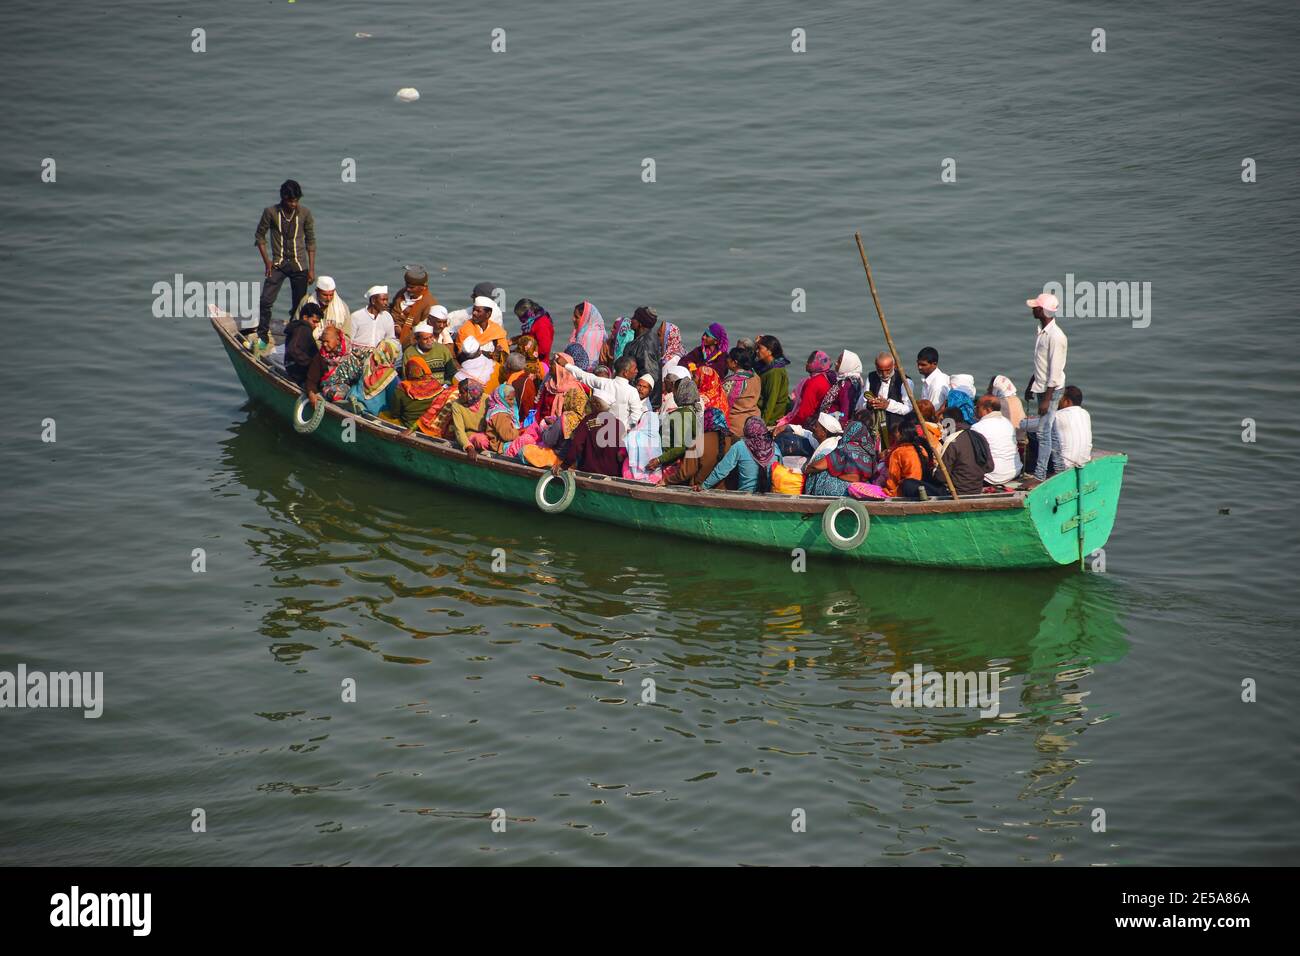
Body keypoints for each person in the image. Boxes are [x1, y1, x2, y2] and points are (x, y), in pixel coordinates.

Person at [254, 179, 315, 346]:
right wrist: (267, 262)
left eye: (296, 200)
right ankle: (262, 336)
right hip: (278, 264)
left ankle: (294, 337)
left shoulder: (305, 214)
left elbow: (310, 241)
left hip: (299, 264)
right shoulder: (271, 212)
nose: (293, 204)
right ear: (283, 198)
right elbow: (260, 236)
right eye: (290, 201)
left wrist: (311, 269)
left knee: (299, 305)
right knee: (266, 300)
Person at [1025, 291, 1068, 481]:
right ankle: (1059, 469)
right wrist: (1030, 385)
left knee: (1043, 433)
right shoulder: (1042, 331)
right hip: (1042, 386)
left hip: (1051, 389)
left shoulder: (1056, 337)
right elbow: (1041, 364)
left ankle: (1040, 475)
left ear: (1042, 311)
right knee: (1050, 430)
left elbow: (1055, 371)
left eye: (1036, 306)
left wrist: (1047, 399)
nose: (1033, 308)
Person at [554, 351, 644, 432]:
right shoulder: (632, 392)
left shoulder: (604, 383)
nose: (637, 371)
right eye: (634, 369)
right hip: (620, 434)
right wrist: (627, 428)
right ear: (625, 372)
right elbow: (636, 415)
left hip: (601, 430)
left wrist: (566, 365)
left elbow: (583, 375)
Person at [773, 351, 837, 455]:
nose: (806, 363)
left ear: (817, 363)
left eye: (809, 361)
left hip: (810, 425)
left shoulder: (814, 383)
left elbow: (804, 414)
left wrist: (788, 426)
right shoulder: (826, 378)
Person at [650, 377, 709, 485]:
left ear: (682, 392)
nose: (673, 394)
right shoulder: (695, 412)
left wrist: (659, 460)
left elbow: (681, 446)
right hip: (688, 465)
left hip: (674, 466)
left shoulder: (682, 414)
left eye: (675, 391)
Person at [699, 416, 777, 492]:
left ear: (747, 429)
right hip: (770, 495)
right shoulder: (775, 447)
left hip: (745, 497)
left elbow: (721, 470)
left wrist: (704, 486)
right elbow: (780, 472)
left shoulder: (740, 446)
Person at [804, 420, 879, 497]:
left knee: (820, 465)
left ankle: (808, 494)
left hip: (843, 491)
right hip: (862, 490)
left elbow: (817, 466)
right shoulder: (870, 453)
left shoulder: (846, 448)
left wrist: (806, 470)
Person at [556, 393, 625, 477]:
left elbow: (577, 445)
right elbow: (622, 451)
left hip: (589, 472)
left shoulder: (587, 421)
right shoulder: (617, 423)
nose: (588, 406)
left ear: (597, 405)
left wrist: (564, 465)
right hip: (613, 474)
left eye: (590, 403)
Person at [858, 352, 913, 443]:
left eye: (887, 370)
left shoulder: (905, 381)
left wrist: (887, 405)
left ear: (894, 366)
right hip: (875, 427)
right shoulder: (871, 377)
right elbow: (862, 401)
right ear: (876, 367)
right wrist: (870, 403)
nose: (884, 374)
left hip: (896, 428)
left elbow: (908, 408)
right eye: (880, 370)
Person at [883, 413, 938, 498]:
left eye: (897, 433)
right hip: (925, 488)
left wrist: (889, 492)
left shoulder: (898, 452)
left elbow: (892, 482)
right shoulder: (921, 448)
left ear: (901, 435)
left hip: (908, 491)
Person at [621, 307, 667, 407]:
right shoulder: (644, 339)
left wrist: (642, 403)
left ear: (640, 323)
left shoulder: (645, 344)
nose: (631, 319)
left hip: (643, 403)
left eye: (634, 318)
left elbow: (649, 376)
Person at [971, 394, 1022, 485]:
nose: (975, 409)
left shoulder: (977, 427)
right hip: (1015, 471)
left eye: (977, 407)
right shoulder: (1007, 422)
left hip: (993, 477)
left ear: (987, 409)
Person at [345, 339, 403, 414]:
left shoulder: (367, 361)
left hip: (351, 398)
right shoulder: (392, 375)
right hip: (372, 411)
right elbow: (394, 400)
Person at [385, 355, 445, 427]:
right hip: (430, 424)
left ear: (407, 370)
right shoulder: (435, 384)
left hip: (408, 425)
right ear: (424, 368)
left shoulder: (402, 388)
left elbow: (395, 414)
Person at [939, 418, 993, 496]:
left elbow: (941, 476)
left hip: (957, 491)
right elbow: (990, 467)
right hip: (977, 488)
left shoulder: (952, 440)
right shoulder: (980, 437)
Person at [389, 266, 440, 346]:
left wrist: (401, 331)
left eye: (412, 287)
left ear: (422, 287)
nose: (408, 289)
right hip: (390, 332)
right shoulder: (401, 293)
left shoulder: (429, 304)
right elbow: (392, 309)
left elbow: (425, 332)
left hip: (411, 342)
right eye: (407, 285)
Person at [721, 346, 762, 441]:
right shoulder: (755, 376)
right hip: (754, 420)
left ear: (735, 363)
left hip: (736, 426)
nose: (726, 360)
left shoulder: (732, 382)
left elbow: (721, 402)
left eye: (729, 358)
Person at [293, 275, 349, 340]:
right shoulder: (306, 301)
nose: (328, 298)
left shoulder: (342, 308)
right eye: (325, 295)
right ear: (317, 291)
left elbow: (347, 336)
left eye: (331, 295)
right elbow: (296, 325)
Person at [305, 324, 349, 406]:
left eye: (327, 341)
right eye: (323, 341)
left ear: (338, 340)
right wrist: (311, 393)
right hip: (330, 388)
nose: (324, 344)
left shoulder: (349, 353)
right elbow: (311, 379)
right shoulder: (320, 357)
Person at [1050, 385, 1092, 469]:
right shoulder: (1085, 413)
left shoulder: (1058, 415)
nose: (1056, 401)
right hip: (1084, 460)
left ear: (1067, 401)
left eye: (1059, 399)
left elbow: (1025, 425)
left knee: (1035, 435)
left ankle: (1035, 471)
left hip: (1064, 464)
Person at [754, 334, 792, 425]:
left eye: (759, 348)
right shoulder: (766, 366)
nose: (757, 351)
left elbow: (771, 400)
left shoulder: (775, 372)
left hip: (773, 417)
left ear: (769, 351)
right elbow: (751, 363)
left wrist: (763, 423)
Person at [284, 302, 323, 386]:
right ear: (305, 317)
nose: (316, 325)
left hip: (292, 366)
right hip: (298, 371)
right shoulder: (303, 329)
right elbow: (293, 348)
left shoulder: (298, 327)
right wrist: (310, 363)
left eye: (317, 322)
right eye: (314, 321)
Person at [346, 286, 396, 351]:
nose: (386, 303)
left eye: (387, 300)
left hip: (379, 355)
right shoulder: (356, 317)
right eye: (383, 300)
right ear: (373, 301)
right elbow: (349, 340)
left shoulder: (387, 317)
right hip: (358, 354)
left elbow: (390, 339)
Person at [822, 350, 865, 421]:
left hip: (833, 421)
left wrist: (837, 418)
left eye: (839, 362)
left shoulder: (846, 386)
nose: (836, 363)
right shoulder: (856, 379)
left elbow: (845, 412)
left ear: (847, 364)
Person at [451, 379, 489, 455]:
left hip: (488, 433)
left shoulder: (487, 399)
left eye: (462, 393)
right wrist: (469, 447)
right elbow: (459, 430)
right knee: (481, 440)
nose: (459, 395)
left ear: (471, 393)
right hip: (470, 435)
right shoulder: (456, 405)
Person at [917, 347, 950, 414]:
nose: (919, 367)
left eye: (923, 365)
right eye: (918, 363)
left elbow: (933, 413)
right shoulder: (928, 377)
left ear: (934, 364)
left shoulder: (936, 385)